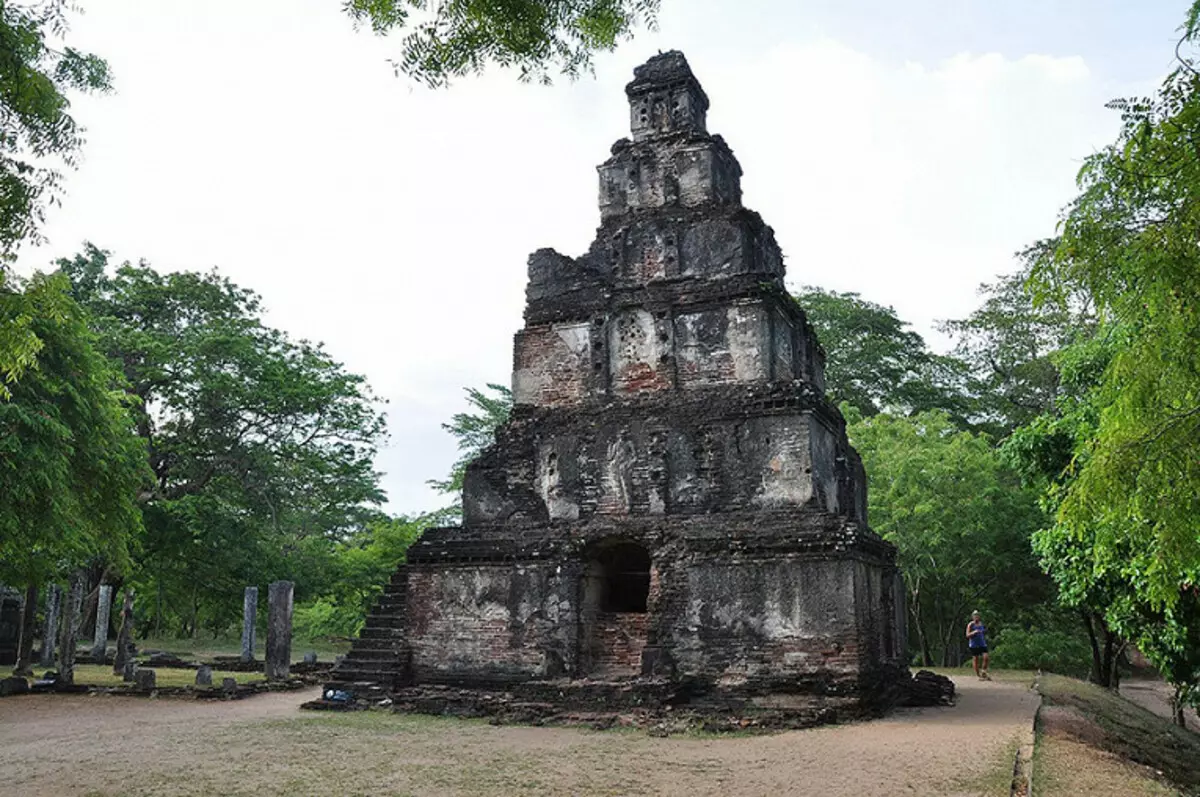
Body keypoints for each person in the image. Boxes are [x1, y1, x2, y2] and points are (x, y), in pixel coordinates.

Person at [966, 610, 991, 680]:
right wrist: (974, 632)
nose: (976, 617)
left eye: (977, 615)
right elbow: (967, 635)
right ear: (972, 617)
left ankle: (983, 672)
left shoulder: (981, 624)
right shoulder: (971, 624)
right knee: (976, 659)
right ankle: (978, 675)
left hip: (982, 643)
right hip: (974, 645)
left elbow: (983, 632)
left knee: (986, 657)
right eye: (975, 615)